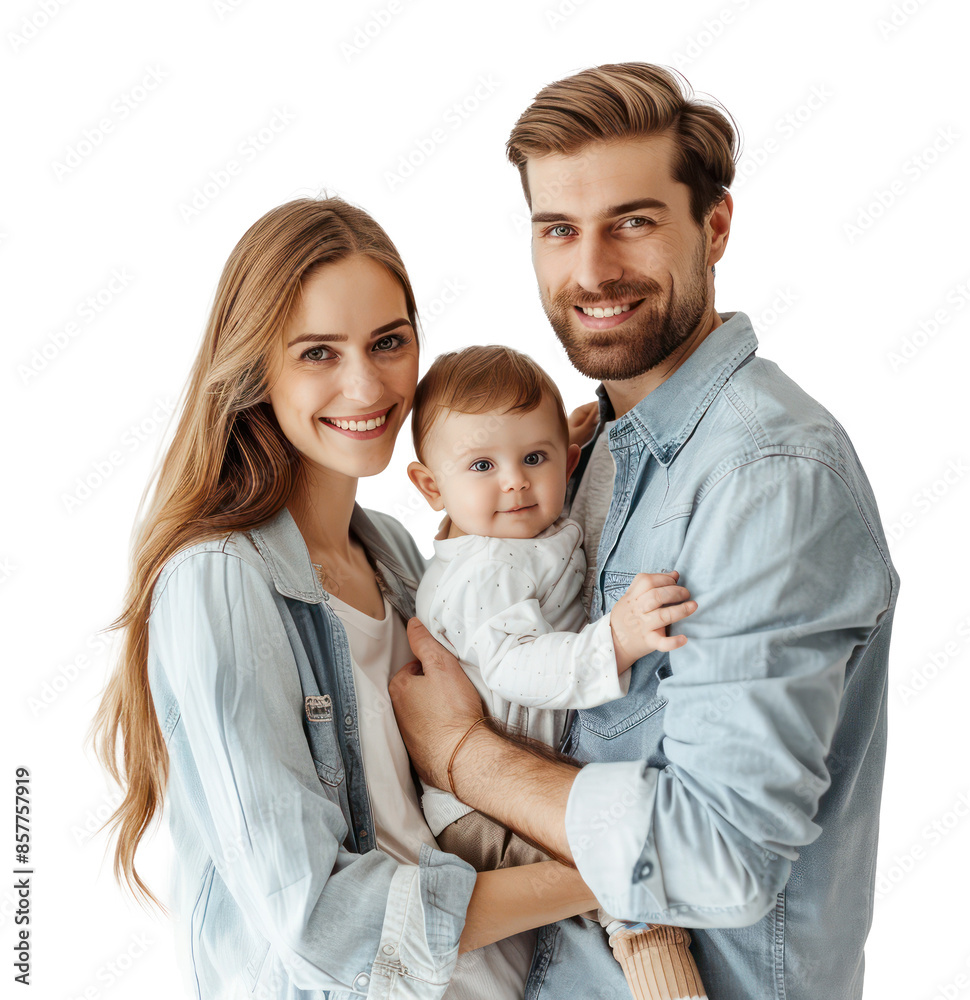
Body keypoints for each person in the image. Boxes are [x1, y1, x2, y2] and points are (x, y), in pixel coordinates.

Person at [389, 62, 901, 1000]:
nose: (591, 271)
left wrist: (462, 756)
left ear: (714, 227)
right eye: (558, 230)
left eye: (632, 221)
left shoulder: (764, 475)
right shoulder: (601, 453)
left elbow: (722, 858)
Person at [88, 196, 605, 1000]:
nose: (366, 384)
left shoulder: (397, 556)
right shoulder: (220, 582)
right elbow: (323, 923)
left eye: (389, 342)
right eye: (318, 353)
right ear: (257, 364)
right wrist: (613, 868)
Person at [405, 343, 708, 1000]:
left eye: (533, 458)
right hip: (479, 810)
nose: (515, 480)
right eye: (482, 465)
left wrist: (571, 439)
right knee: (625, 877)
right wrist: (617, 641)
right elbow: (517, 666)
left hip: (521, 780)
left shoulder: (523, 528)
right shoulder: (485, 571)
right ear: (432, 487)